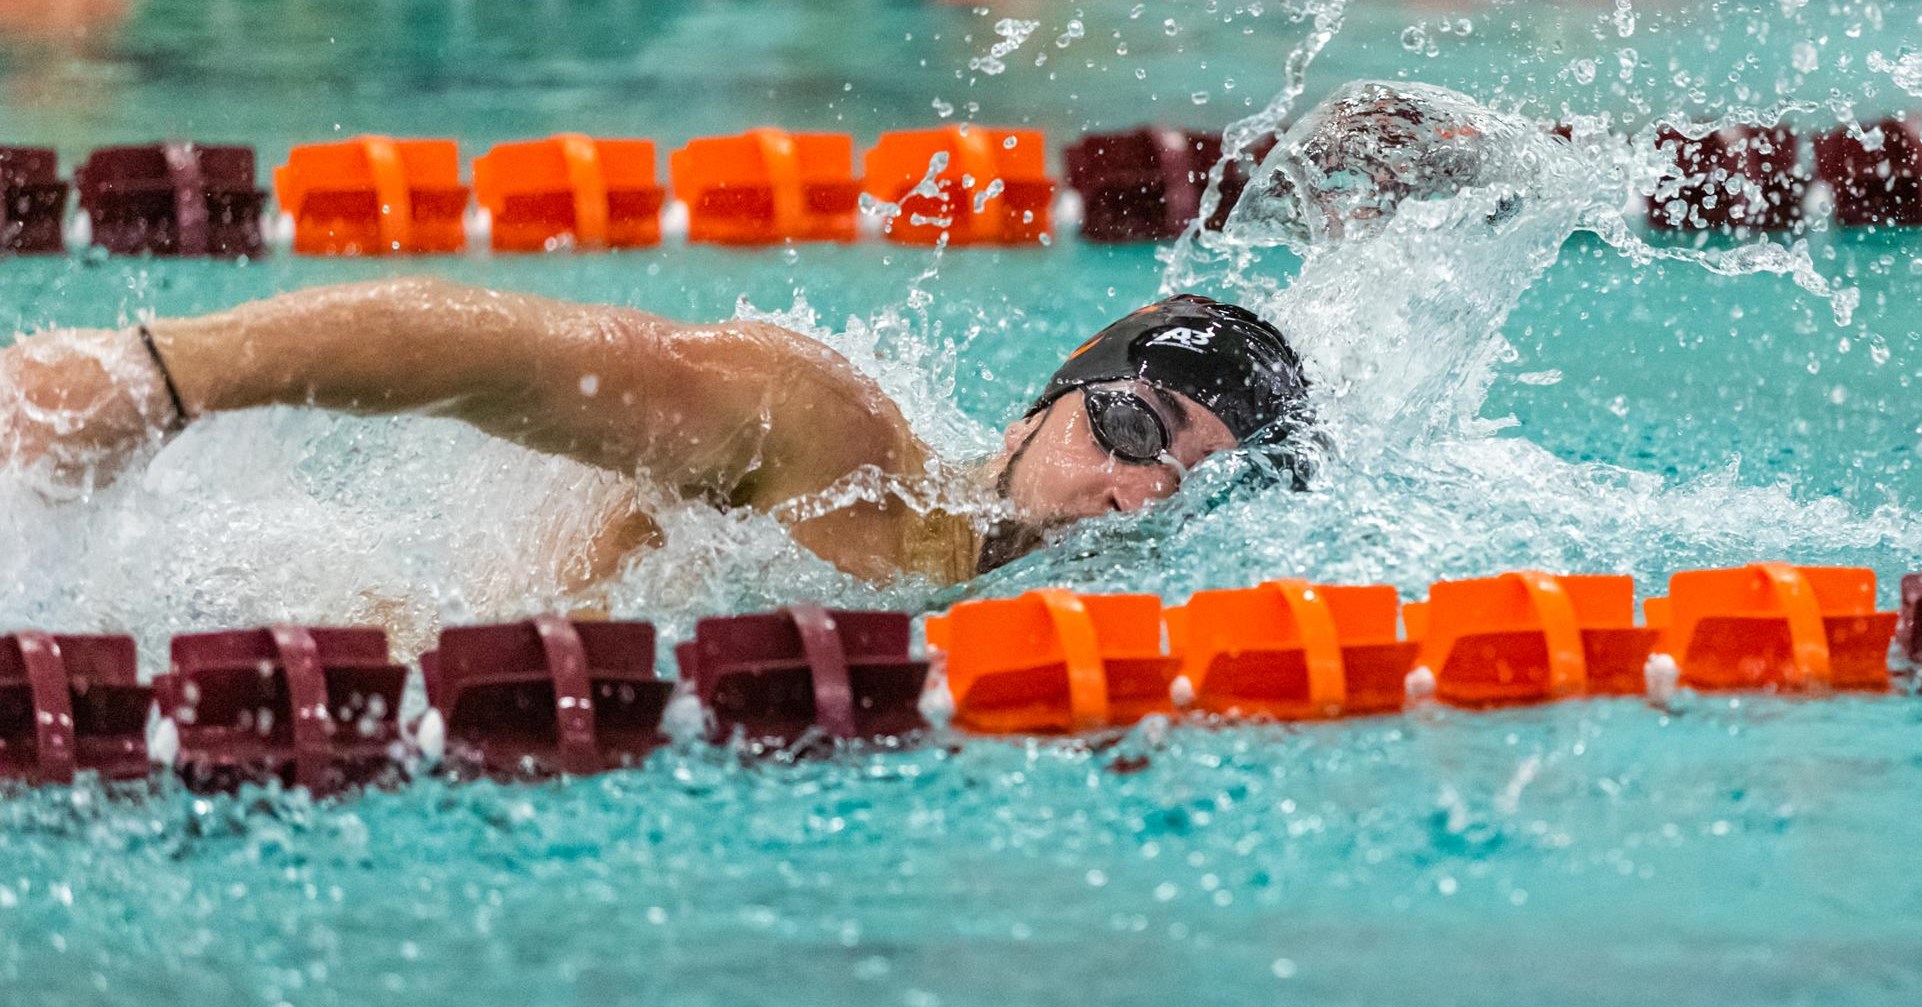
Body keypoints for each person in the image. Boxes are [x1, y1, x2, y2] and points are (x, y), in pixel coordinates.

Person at [0, 281, 1311, 593]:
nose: (1139, 492)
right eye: (1135, 423)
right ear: (1051, 393)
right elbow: (526, 360)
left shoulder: (1044, 578)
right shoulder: (834, 444)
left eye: (1184, 476)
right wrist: (162, 377)